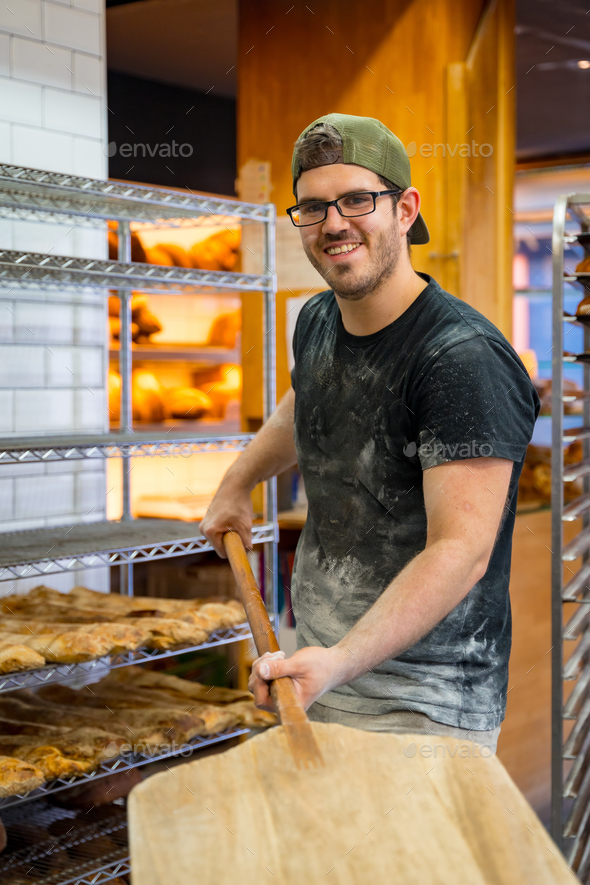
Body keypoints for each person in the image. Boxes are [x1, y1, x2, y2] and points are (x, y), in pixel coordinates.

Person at [200, 113, 540, 754]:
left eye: (358, 200)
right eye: (313, 206)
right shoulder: (320, 318)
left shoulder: (459, 358)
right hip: (325, 669)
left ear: (405, 209)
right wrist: (238, 482)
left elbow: (460, 552)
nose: (333, 223)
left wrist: (340, 661)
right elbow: (306, 401)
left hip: (424, 701)